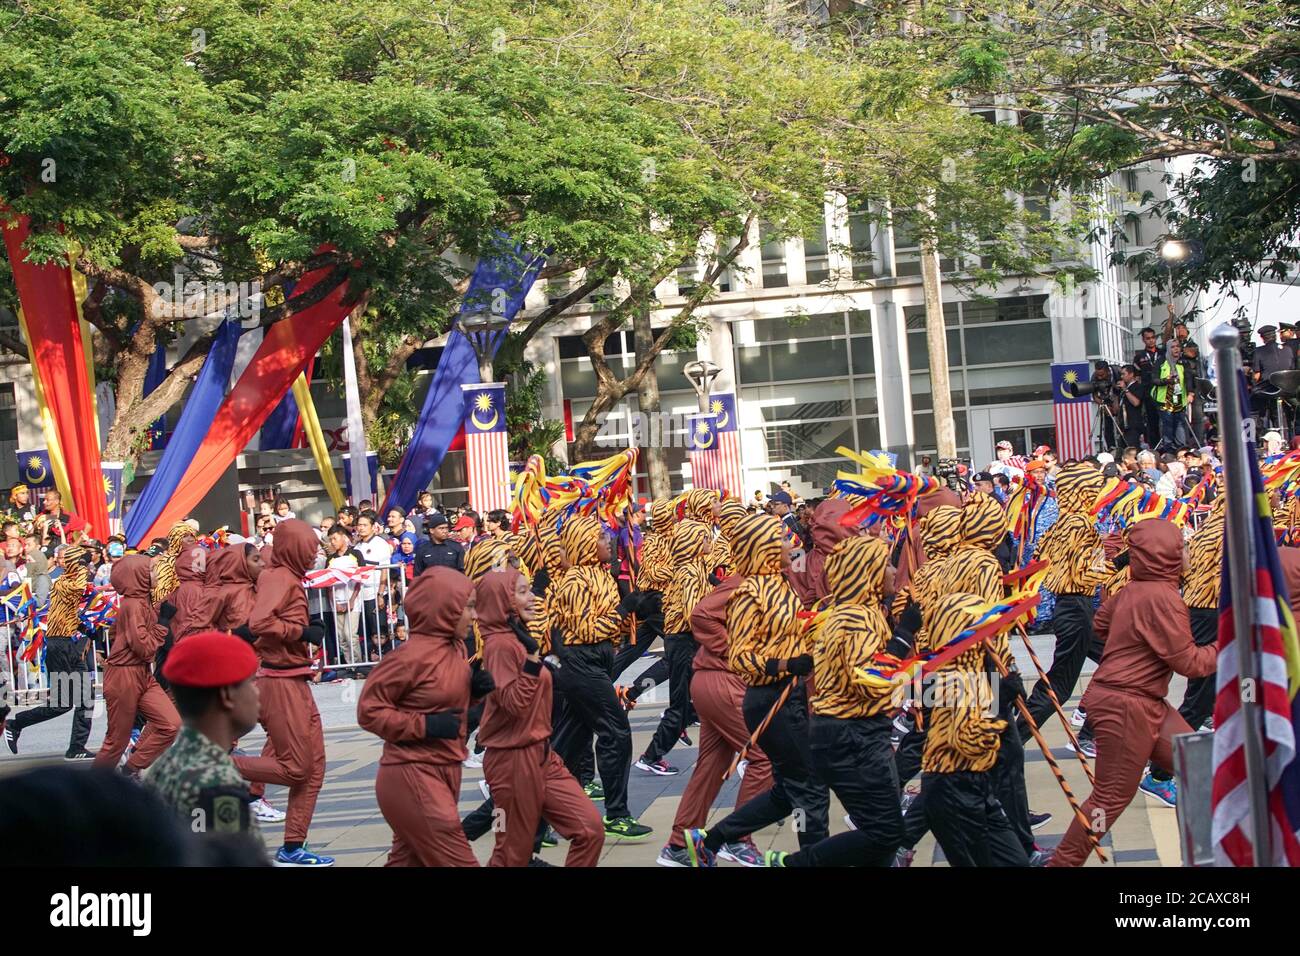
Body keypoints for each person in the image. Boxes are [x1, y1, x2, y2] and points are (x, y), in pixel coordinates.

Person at [1050, 519, 1217, 866]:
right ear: (1165, 555)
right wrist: (1229, 646)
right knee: (1108, 800)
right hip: (1127, 705)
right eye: (1182, 547)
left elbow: (1100, 624)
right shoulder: (1162, 598)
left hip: (1141, 701)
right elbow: (1191, 664)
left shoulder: (1134, 590)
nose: (1188, 552)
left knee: (1203, 769)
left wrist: (1133, 643)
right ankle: (1063, 863)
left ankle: (1218, 855)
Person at [683, 513, 830, 866]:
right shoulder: (749, 591)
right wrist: (784, 664)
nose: (789, 544)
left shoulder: (780, 583)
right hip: (767, 699)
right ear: (763, 547)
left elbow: (784, 636)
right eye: (780, 539)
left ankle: (712, 840)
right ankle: (811, 858)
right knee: (808, 788)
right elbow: (742, 657)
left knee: (789, 789)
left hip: (788, 695)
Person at [766, 536, 902, 867]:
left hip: (840, 734)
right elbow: (870, 681)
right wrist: (904, 638)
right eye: (884, 564)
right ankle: (795, 862)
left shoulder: (846, 611)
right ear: (865, 572)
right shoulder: (859, 618)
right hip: (854, 735)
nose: (893, 570)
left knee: (877, 835)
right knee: (886, 832)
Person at [357, 567, 488, 866]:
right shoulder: (409, 657)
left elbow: (440, 700)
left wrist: (474, 691)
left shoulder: (455, 649)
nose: (475, 616)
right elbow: (368, 711)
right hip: (412, 775)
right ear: (445, 607)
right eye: (468, 607)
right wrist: (424, 725)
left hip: (442, 768)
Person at [476, 569, 604, 866]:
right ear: (503, 602)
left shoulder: (515, 640)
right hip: (511, 763)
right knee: (511, 854)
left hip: (542, 757)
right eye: (522, 592)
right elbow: (514, 703)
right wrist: (535, 661)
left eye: (529, 589)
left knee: (590, 830)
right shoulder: (500, 646)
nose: (533, 597)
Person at [231, 519, 334, 866]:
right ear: (295, 547)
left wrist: (302, 632)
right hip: (279, 682)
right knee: (296, 769)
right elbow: (259, 623)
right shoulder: (280, 577)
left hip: (292, 678)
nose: (316, 552)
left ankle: (292, 847)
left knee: (315, 767)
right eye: (311, 545)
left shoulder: (286, 577)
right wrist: (302, 632)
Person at [550, 515, 652, 840]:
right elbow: (586, 629)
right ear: (584, 544)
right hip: (581, 663)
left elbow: (610, 626)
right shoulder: (575, 581)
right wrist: (624, 611)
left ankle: (534, 815)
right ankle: (617, 813)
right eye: (600, 538)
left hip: (598, 660)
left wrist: (635, 612)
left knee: (568, 742)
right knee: (616, 731)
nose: (608, 542)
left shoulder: (602, 575)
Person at [918, 592, 1029, 866]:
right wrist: (999, 699)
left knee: (1016, 862)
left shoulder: (974, 672)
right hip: (952, 790)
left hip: (977, 785)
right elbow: (969, 741)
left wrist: (995, 696)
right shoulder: (948, 679)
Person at [144, 630, 266, 859]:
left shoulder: (170, 763)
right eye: (251, 682)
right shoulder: (216, 782)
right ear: (228, 695)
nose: (257, 693)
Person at [1018, 462, 1109, 753]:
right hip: (1075, 607)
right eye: (1094, 489)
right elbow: (1089, 573)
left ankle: (1090, 732)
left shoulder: (1063, 520)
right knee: (1058, 685)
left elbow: (1043, 553)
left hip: (1074, 607)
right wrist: (1120, 561)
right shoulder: (1081, 524)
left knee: (1116, 665)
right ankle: (1014, 740)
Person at [634, 519, 713, 776]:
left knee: (696, 702)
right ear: (693, 543)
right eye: (704, 538)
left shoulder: (696, 567)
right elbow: (694, 614)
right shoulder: (689, 572)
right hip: (683, 642)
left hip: (690, 642)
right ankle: (651, 756)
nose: (709, 541)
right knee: (679, 705)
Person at [4, 544, 96, 758]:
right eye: (82, 563)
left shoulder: (68, 582)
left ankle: (18, 725)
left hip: (66, 644)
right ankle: (18, 724)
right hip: (61, 646)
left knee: (72, 702)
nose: (86, 567)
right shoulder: (66, 583)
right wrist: (82, 565)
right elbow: (79, 587)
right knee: (72, 701)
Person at [93, 554, 181, 771]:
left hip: (141, 673)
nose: (155, 574)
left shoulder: (141, 602)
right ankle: (88, 795)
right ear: (138, 576)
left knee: (171, 725)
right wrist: (162, 624)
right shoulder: (133, 605)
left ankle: (129, 771)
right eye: (150, 570)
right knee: (116, 741)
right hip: (125, 676)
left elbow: (118, 634)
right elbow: (145, 648)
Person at [354, 509, 394, 658]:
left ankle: (385, 660)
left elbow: (384, 570)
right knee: (364, 631)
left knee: (379, 630)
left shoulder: (380, 544)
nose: (361, 528)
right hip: (359, 594)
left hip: (375, 592)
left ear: (373, 526)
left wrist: (380, 594)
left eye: (365, 525)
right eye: (359, 525)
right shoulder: (356, 547)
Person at [1251, 324, 1296, 429]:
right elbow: (1291, 369)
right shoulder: (1288, 349)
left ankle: (1259, 432)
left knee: (1252, 401)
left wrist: (1250, 376)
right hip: (1287, 388)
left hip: (1269, 389)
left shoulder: (1258, 351)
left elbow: (1256, 376)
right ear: (1275, 336)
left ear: (1262, 338)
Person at [1153, 340, 1191, 451]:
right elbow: (1154, 379)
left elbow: (1188, 379)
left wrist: (1190, 393)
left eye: (1178, 346)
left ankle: (1181, 449)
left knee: (1180, 424)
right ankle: (1168, 449)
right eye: (1173, 347)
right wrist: (1166, 380)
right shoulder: (1161, 362)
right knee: (1167, 424)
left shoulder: (1183, 362)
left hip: (1180, 400)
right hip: (1164, 401)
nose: (1176, 349)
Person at [1132, 326, 1165, 447]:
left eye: (1153, 338)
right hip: (1148, 392)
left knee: (1166, 419)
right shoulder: (1139, 356)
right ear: (1143, 340)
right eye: (1148, 338)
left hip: (1164, 390)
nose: (1151, 340)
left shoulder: (1163, 353)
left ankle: (1168, 444)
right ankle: (1155, 446)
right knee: (1152, 421)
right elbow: (1137, 377)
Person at [1116, 364, 1147, 449]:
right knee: (1123, 449)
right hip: (1123, 424)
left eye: (1123, 374)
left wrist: (1126, 389)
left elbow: (1136, 402)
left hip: (1134, 424)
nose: (1122, 377)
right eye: (1121, 374)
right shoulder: (1122, 390)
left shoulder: (1138, 386)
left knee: (1132, 449)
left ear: (1131, 374)